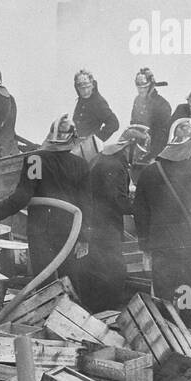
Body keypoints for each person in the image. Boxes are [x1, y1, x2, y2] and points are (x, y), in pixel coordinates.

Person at [0, 115, 90, 282]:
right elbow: (87, 204)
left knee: (44, 284)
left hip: (42, 231)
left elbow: (22, 197)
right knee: (71, 281)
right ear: (73, 139)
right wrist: (84, 238)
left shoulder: (35, 160)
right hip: (70, 230)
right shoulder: (80, 164)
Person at [132, 118, 191, 330]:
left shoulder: (149, 171)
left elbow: (140, 214)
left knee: (165, 297)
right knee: (188, 295)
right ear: (190, 145)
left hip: (162, 248)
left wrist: (146, 248)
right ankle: (189, 339)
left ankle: (168, 341)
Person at [78, 124, 149, 312]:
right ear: (130, 147)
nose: (140, 157)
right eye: (139, 152)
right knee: (114, 273)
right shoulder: (115, 165)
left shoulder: (104, 157)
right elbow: (117, 201)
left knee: (99, 271)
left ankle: (97, 310)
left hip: (94, 225)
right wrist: (141, 206)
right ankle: (108, 312)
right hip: (104, 227)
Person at [130, 68, 173, 161]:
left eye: (144, 87)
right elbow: (133, 124)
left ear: (151, 86)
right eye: (139, 87)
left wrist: (152, 156)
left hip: (153, 152)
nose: (141, 91)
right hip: (137, 148)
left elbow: (162, 135)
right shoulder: (137, 100)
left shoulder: (162, 105)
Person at [71, 69, 119, 142]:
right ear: (77, 87)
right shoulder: (81, 100)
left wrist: (95, 140)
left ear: (92, 85)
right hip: (77, 144)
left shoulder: (98, 102)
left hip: (90, 149)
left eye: (87, 86)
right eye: (81, 87)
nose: (85, 91)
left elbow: (114, 123)